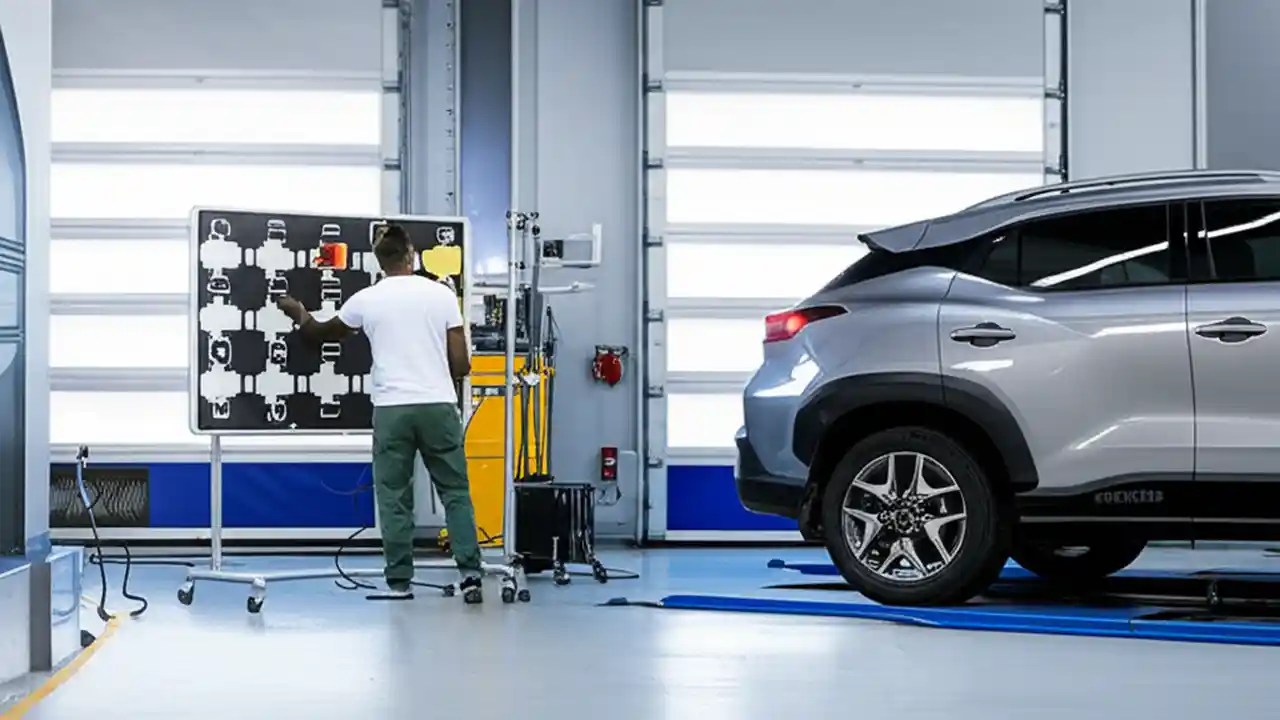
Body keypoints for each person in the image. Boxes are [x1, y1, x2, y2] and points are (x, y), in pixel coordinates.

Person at [276, 224, 484, 603]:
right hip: (437, 405)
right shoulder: (441, 295)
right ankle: (470, 574)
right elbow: (462, 364)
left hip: (391, 409)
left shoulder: (365, 300)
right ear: (411, 257)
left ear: (380, 262)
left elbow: (320, 334)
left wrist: (299, 313)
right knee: (455, 492)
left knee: (393, 496)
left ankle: (399, 583)